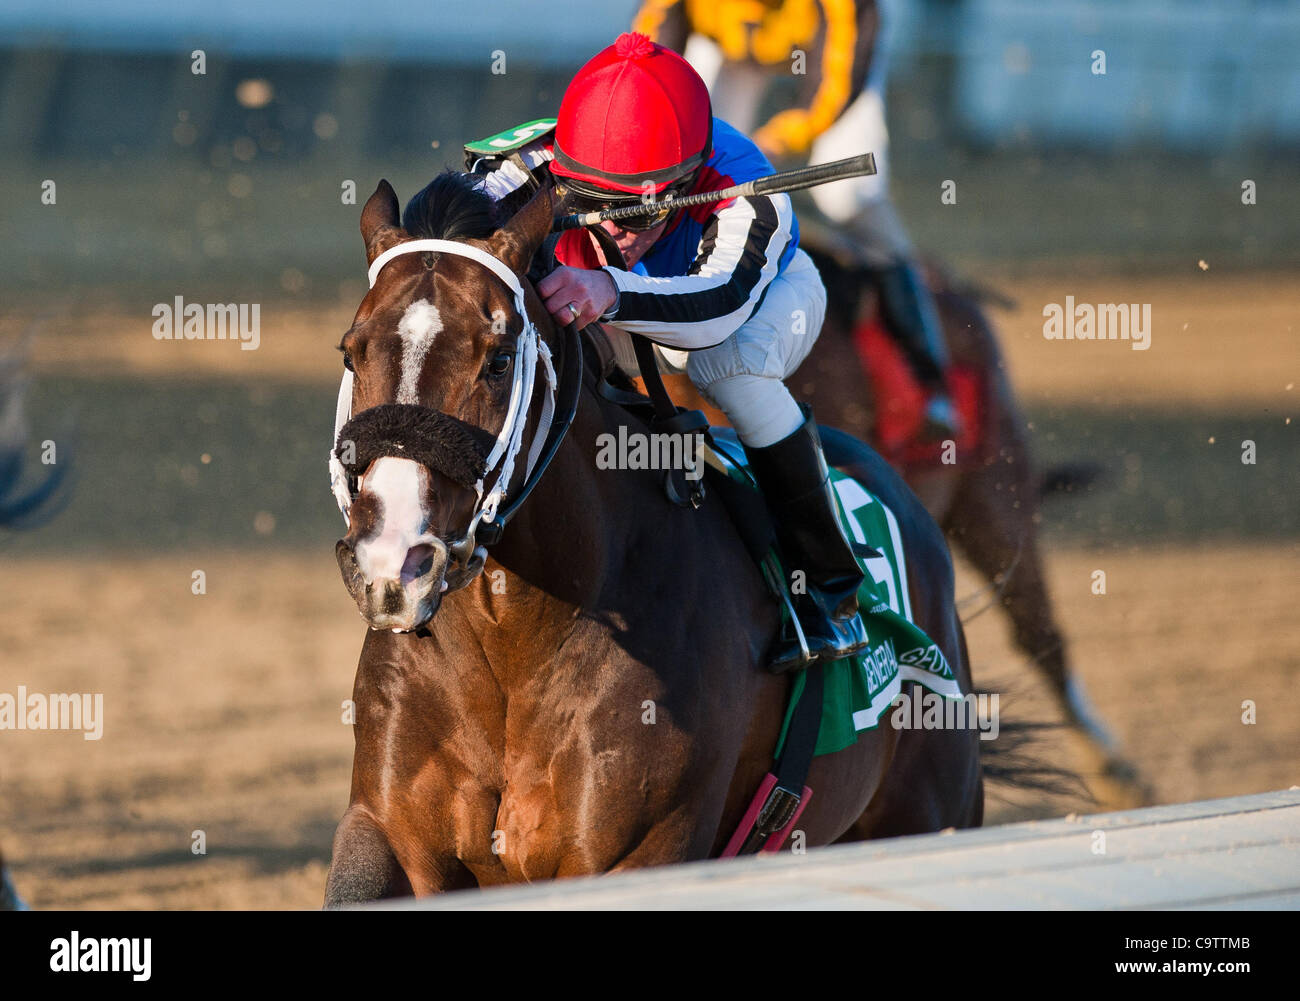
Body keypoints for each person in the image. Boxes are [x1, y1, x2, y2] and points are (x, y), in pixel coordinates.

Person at [474, 32, 867, 672]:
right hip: (612, 305)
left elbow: (717, 308)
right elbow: (449, 212)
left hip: (753, 304)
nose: (609, 228)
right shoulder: (536, 156)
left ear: (684, 179)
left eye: (632, 213)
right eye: (592, 204)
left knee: (727, 371)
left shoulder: (748, 186)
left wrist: (607, 286)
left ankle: (826, 588)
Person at [633, 0, 962, 439]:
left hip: (835, 70)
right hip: (728, 55)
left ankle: (930, 377)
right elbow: (650, 57)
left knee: (847, 197)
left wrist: (778, 139)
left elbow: (834, 85)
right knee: (673, 168)